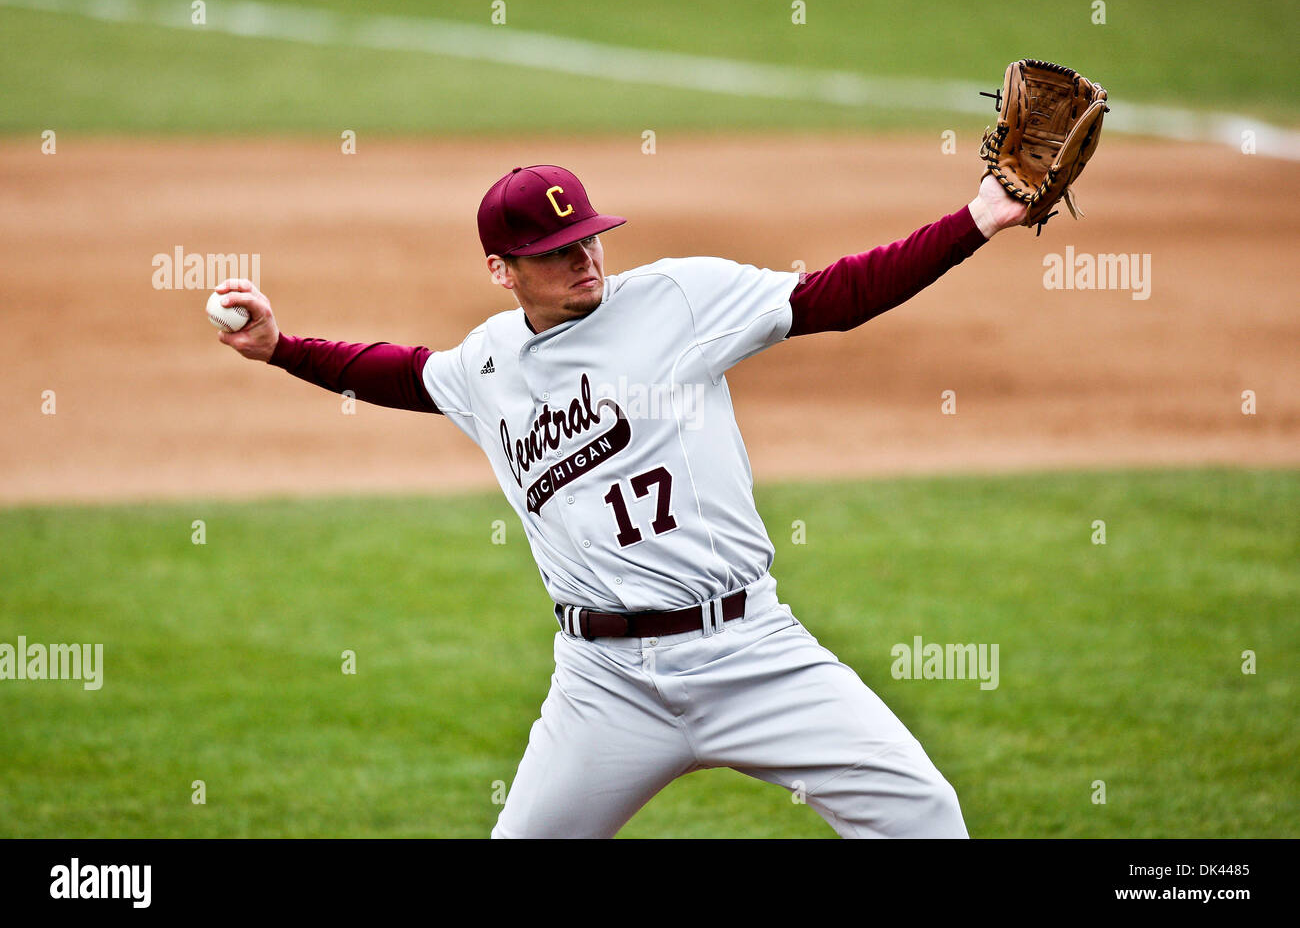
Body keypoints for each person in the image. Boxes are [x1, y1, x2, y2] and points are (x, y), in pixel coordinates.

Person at [214, 163, 1027, 838]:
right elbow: (397, 370)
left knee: (924, 815)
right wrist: (281, 349)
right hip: (604, 684)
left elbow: (837, 296)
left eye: (589, 238)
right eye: (557, 251)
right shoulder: (486, 365)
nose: (585, 259)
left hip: (749, 653)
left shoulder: (678, 299)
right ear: (502, 271)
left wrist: (977, 218)